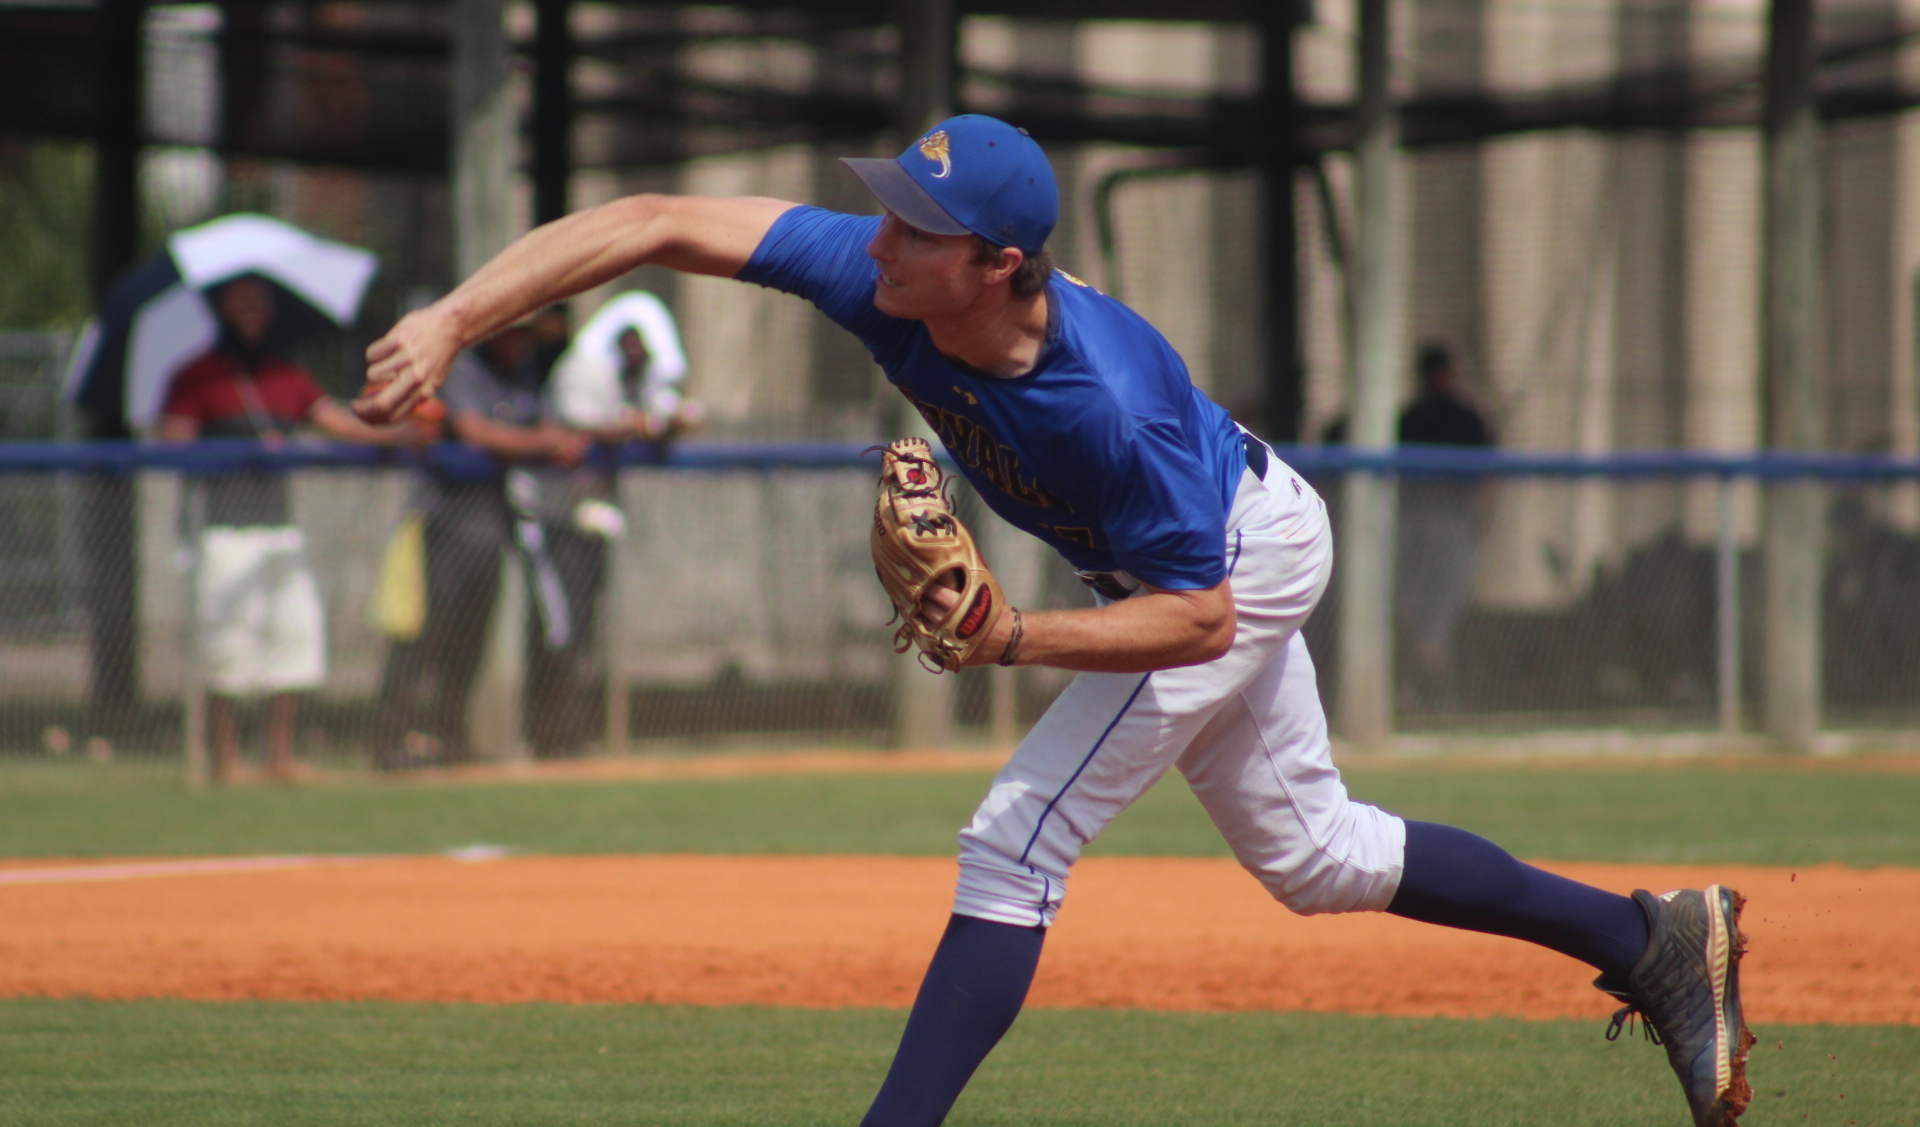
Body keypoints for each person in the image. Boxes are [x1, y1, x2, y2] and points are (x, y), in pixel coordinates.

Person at [355, 115, 1753, 1127]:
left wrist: (1012, 639)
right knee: (1321, 858)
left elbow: (1199, 620)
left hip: (1230, 562)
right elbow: (652, 216)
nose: (881, 240)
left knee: (1017, 835)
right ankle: (1648, 941)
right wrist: (454, 319)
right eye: (892, 210)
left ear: (1000, 263)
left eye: (920, 228)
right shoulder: (882, 275)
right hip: (1191, 550)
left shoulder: (1104, 405)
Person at [159, 274, 420, 783]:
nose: (250, 315)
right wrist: (238, 451)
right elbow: (171, 443)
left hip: (277, 527)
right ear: (220, 313)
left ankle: (278, 756)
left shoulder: (286, 375)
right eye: (240, 306)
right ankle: (227, 758)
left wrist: (402, 432)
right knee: (226, 645)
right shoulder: (198, 375)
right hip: (221, 528)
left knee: (294, 635)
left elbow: (338, 423)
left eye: (258, 306)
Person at [369, 318, 590, 769]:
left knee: (470, 639)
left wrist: (556, 439)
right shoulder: (464, 369)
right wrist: (542, 443)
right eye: (511, 335)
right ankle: (390, 740)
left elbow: (544, 424)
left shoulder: (525, 374)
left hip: (494, 522)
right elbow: (476, 432)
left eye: (525, 336)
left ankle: (450, 737)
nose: (518, 344)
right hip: (446, 520)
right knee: (423, 635)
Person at [528, 292, 703, 756]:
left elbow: (654, 417)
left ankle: (567, 736)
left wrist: (667, 420)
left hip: (587, 518)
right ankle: (551, 737)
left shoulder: (630, 379)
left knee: (580, 631)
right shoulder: (582, 369)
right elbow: (584, 427)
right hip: (548, 518)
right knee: (558, 630)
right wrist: (649, 423)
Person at [1396, 341, 1496, 712]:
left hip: (1435, 522)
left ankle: (1428, 691)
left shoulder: (1436, 416)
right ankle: (1433, 692)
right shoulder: (1415, 417)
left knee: (1432, 613)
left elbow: (1487, 477)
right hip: (1435, 523)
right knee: (1428, 613)